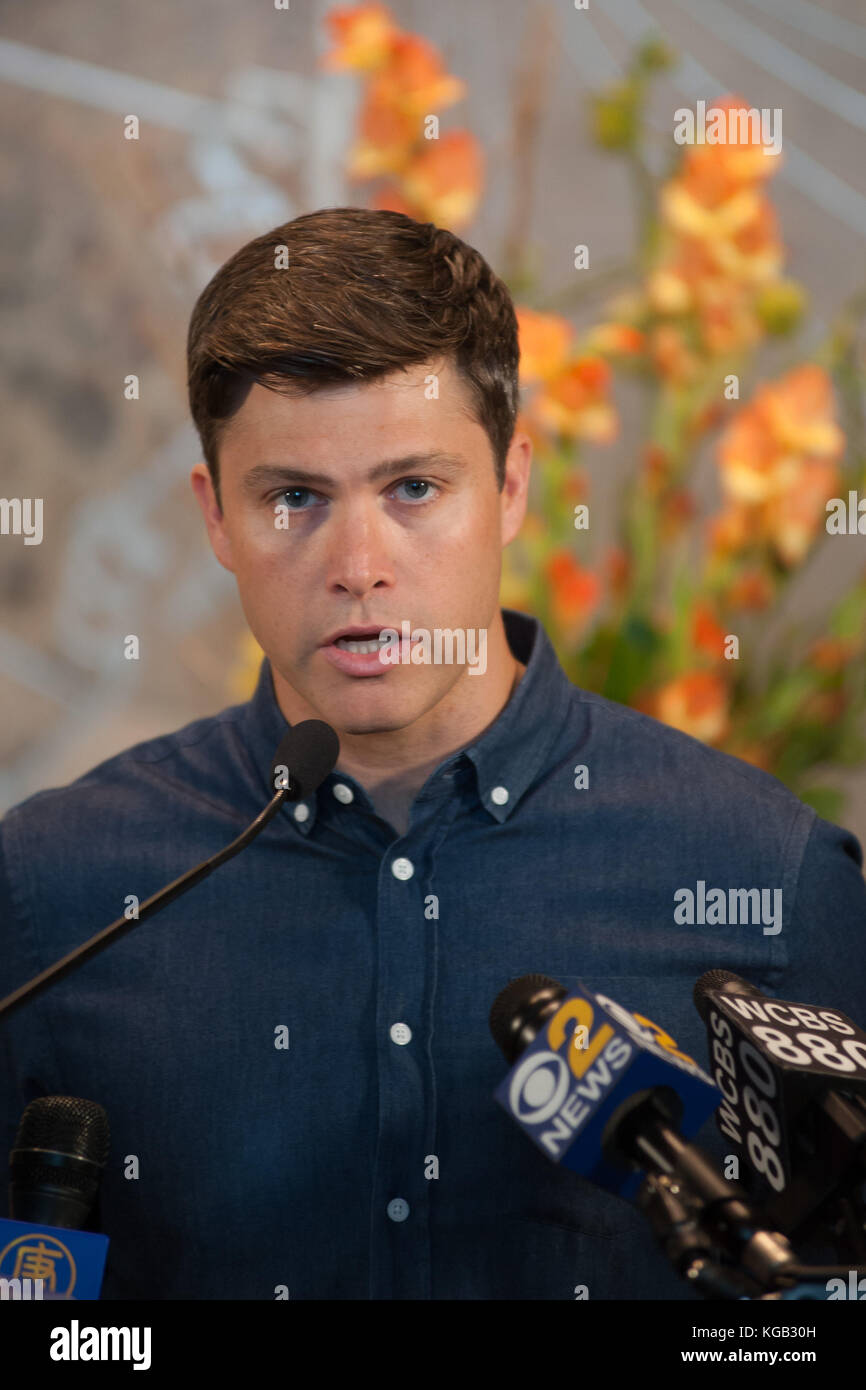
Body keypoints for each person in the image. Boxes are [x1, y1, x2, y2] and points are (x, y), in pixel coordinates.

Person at [1, 207, 864, 1300]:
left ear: (509, 489)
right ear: (216, 517)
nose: (359, 564)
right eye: (293, 499)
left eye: (414, 488)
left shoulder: (768, 878)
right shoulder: (51, 895)